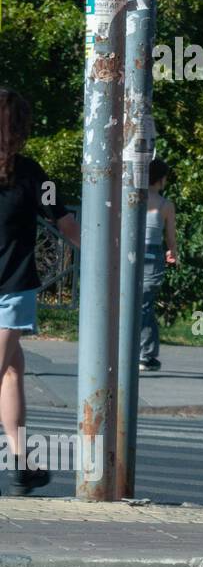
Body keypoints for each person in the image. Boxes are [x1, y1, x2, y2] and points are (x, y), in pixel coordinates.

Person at [0, 89, 79, 495]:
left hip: (9, 292)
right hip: (10, 290)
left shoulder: (33, 175)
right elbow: (66, 224)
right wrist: (110, 262)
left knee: (13, 369)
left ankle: (22, 463)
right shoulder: (32, 175)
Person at [139, 158, 178, 373]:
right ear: (161, 179)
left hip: (131, 253)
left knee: (130, 305)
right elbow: (170, 237)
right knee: (144, 306)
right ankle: (146, 355)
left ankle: (133, 351)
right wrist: (173, 253)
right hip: (153, 256)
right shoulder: (165, 205)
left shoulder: (133, 197)